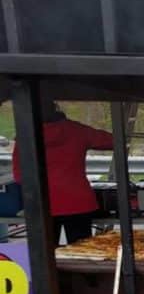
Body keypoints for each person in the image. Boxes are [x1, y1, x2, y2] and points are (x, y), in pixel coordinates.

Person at [12, 99, 113, 245]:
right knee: (82, 254)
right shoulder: (77, 130)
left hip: (42, 204)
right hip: (78, 203)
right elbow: (113, 141)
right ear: (56, 109)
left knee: (45, 257)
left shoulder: (26, 136)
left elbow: (19, 175)